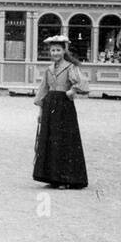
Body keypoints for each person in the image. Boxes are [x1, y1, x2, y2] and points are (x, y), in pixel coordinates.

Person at [33, 36, 89, 188]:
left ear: (64, 51)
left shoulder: (70, 67)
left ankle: (66, 178)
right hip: (50, 104)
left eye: (58, 50)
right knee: (50, 140)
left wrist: (73, 90)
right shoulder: (49, 69)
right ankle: (52, 177)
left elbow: (82, 83)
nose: (55, 53)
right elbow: (43, 90)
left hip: (64, 106)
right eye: (53, 50)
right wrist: (40, 111)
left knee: (64, 140)